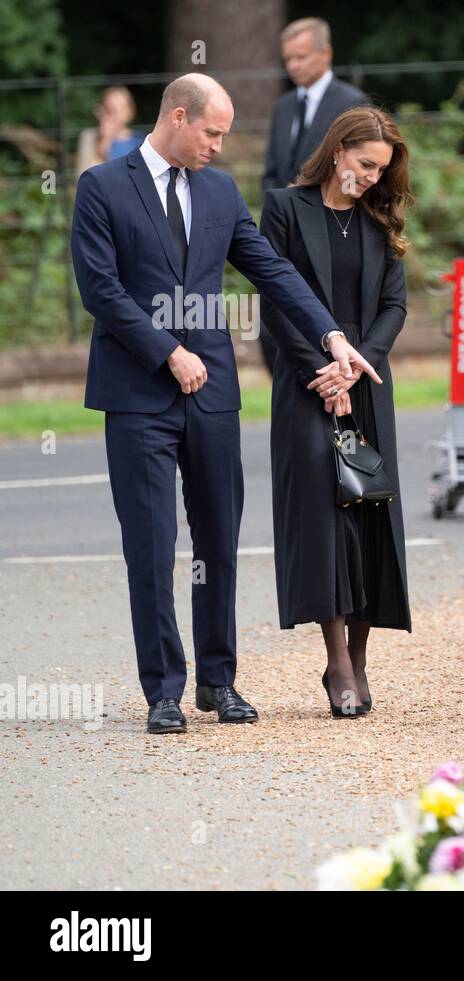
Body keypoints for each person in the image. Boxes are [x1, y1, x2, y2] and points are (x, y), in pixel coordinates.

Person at [70, 73, 381, 735]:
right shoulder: (101, 187)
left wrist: (330, 334)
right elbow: (100, 289)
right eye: (211, 131)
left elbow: (269, 269)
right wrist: (164, 350)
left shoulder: (218, 190)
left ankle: (218, 680)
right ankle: (163, 690)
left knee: (218, 537)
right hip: (137, 394)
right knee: (152, 546)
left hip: (212, 394)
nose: (219, 145)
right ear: (178, 117)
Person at [259, 107, 413, 718]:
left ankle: (362, 653)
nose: (373, 178)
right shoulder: (285, 208)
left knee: (370, 511)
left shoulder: (381, 217)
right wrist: (321, 375)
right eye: (365, 163)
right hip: (305, 377)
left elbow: (395, 306)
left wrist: (355, 365)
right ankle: (337, 662)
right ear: (338, 149)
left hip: (366, 377)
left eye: (382, 169)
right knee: (325, 519)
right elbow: (274, 298)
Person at [259, 17, 368, 374]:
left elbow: (357, 178)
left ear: (326, 54)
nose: (293, 66)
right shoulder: (282, 107)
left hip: (326, 233)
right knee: (275, 325)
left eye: (301, 57)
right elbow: (274, 172)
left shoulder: (351, 103)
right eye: (288, 58)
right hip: (283, 235)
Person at [75, 86, 143, 176]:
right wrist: (105, 139)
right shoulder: (90, 138)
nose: (114, 114)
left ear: (129, 111)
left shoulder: (140, 140)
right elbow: (85, 174)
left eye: (120, 108)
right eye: (109, 108)